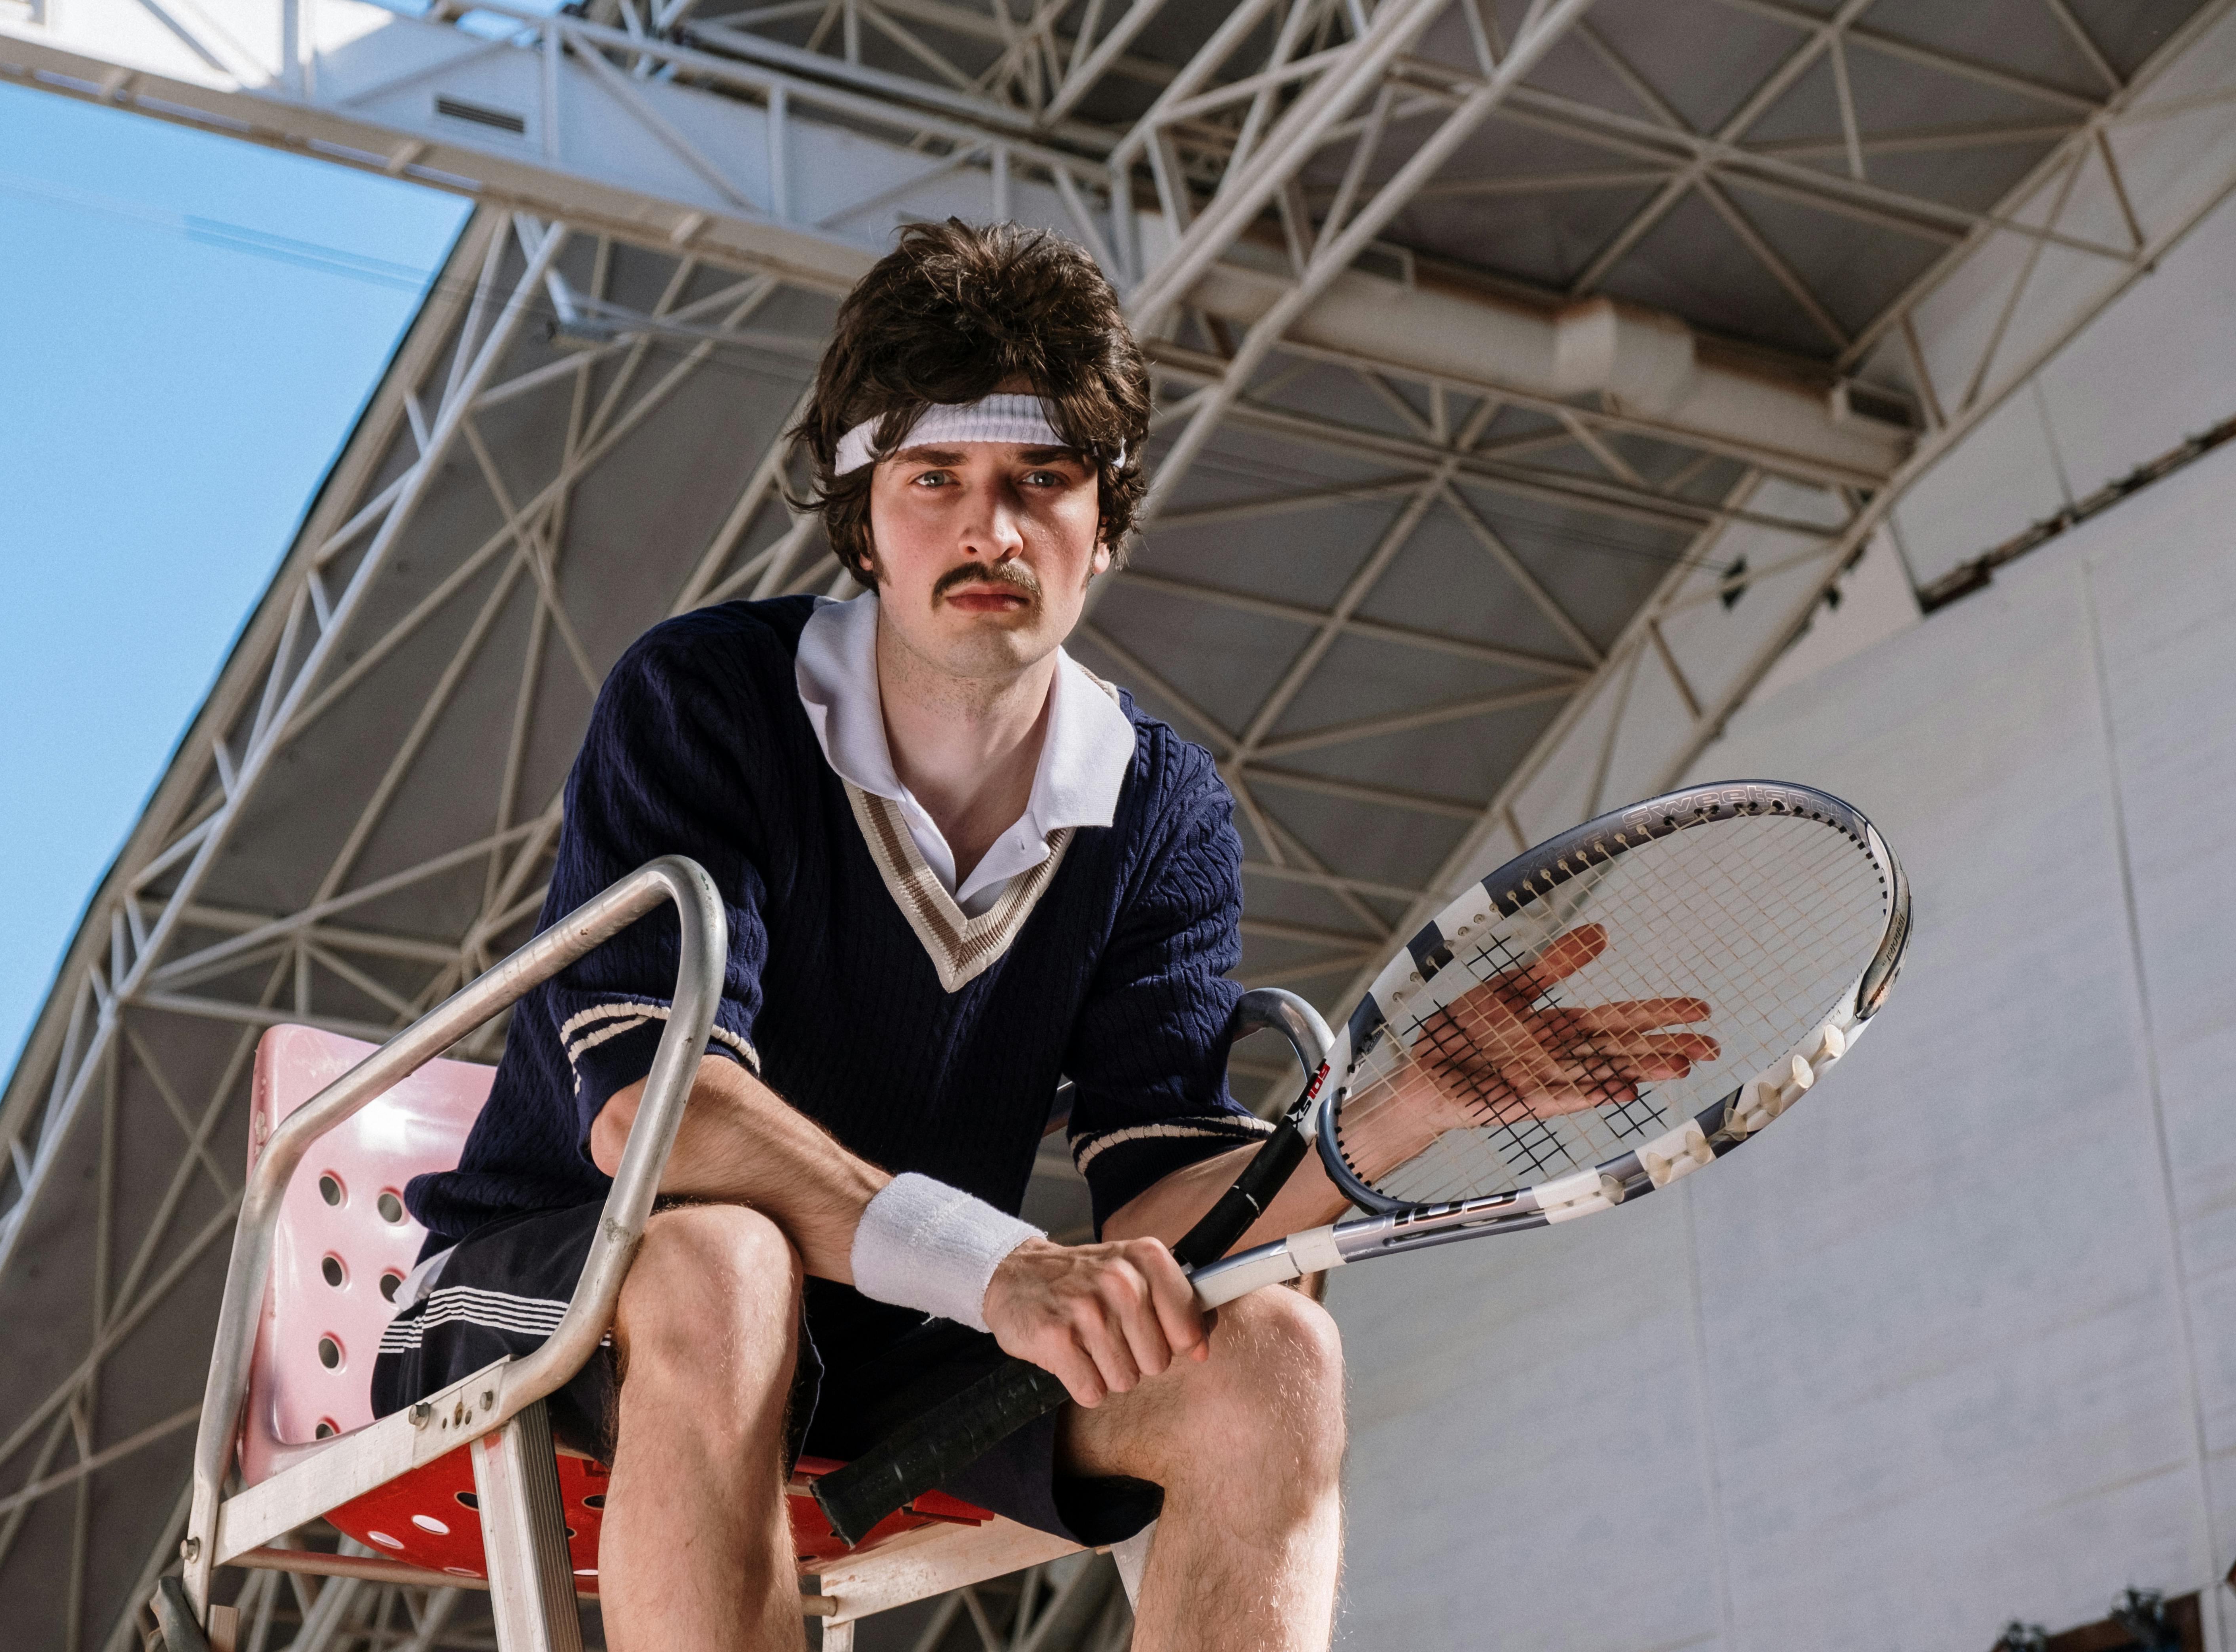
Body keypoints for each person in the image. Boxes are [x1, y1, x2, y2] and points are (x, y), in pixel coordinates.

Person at [372, 219, 1712, 1651]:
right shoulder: (705, 698)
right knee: (726, 1260)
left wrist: (1386, 1122)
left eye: (1043, 481)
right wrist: (1006, 1271)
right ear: (863, 515)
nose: (987, 529)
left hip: (892, 1349)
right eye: (933, 478)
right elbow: (658, 1117)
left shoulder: (1160, 807)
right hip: (559, 1294)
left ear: (1109, 520)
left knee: (1272, 1355)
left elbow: (1154, 1219)